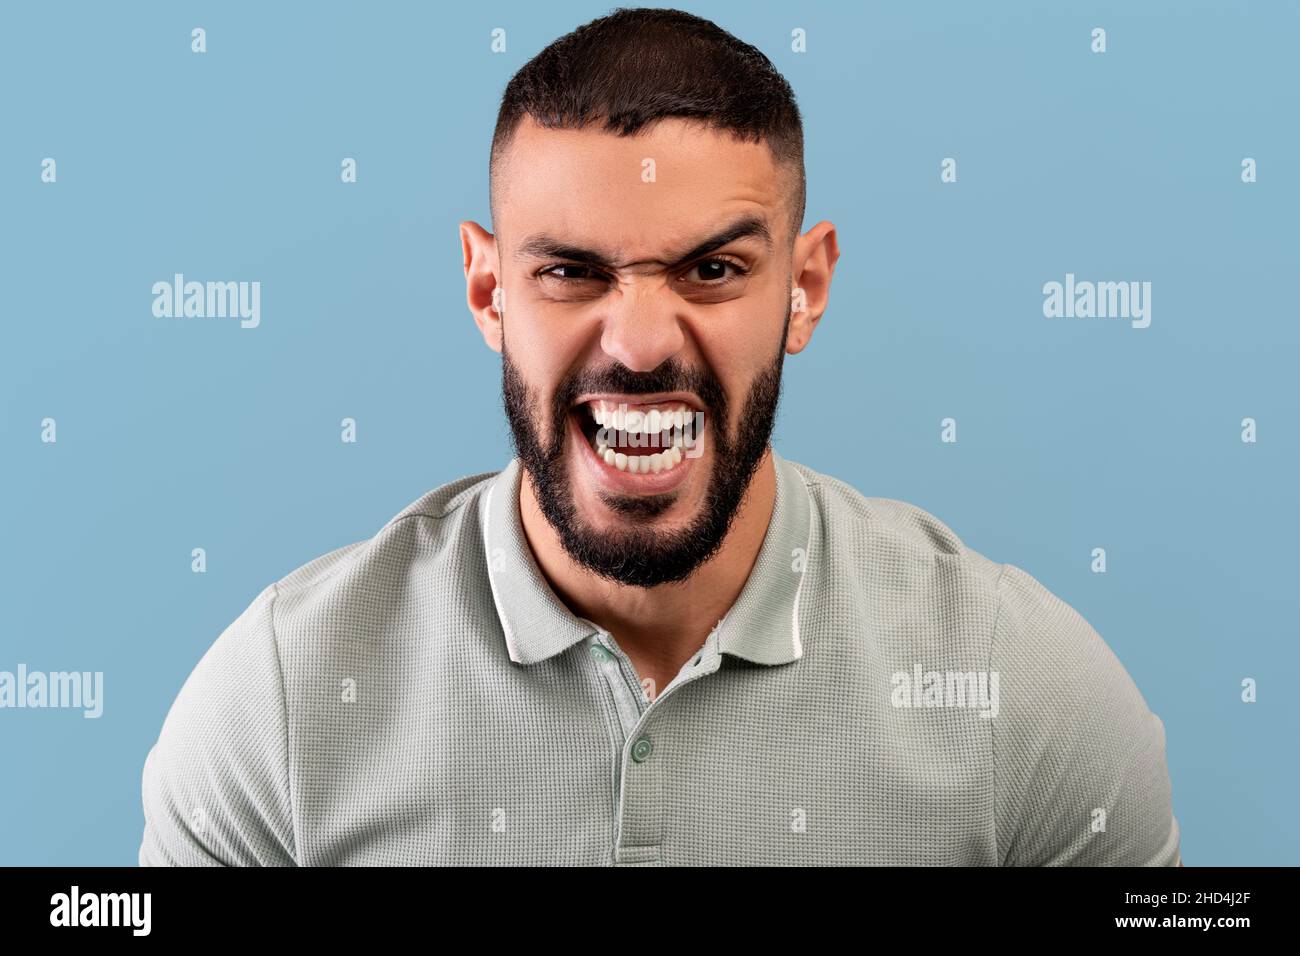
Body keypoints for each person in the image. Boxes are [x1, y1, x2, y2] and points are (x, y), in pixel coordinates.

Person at [140, 7, 1180, 866]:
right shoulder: (278, 700)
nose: (639, 345)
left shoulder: (1021, 685)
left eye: (713, 270)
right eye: (571, 271)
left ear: (804, 287)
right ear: (488, 286)